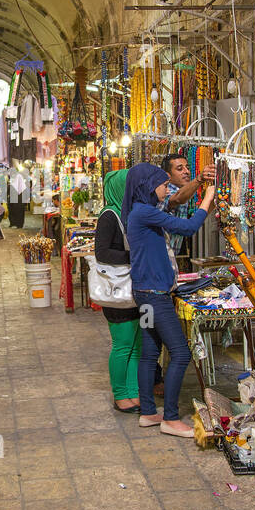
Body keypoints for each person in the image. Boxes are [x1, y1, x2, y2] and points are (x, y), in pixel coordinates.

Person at [123, 162, 216, 437]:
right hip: (154, 296)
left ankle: (149, 413)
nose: (167, 188)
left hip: (144, 294)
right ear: (148, 187)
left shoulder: (139, 211)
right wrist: (207, 198)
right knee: (180, 352)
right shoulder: (145, 212)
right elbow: (187, 229)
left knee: (151, 352)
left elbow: (175, 204)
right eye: (163, 184)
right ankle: (171, 418)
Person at [94, 168, 142, 413]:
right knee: (123, 343)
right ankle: (120, 394)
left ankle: (133, 392)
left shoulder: (128, 213)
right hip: (116, 290)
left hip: (132, 288)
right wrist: (134, 256)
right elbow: (101, 253)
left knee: (137, 343)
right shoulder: (109, 216)